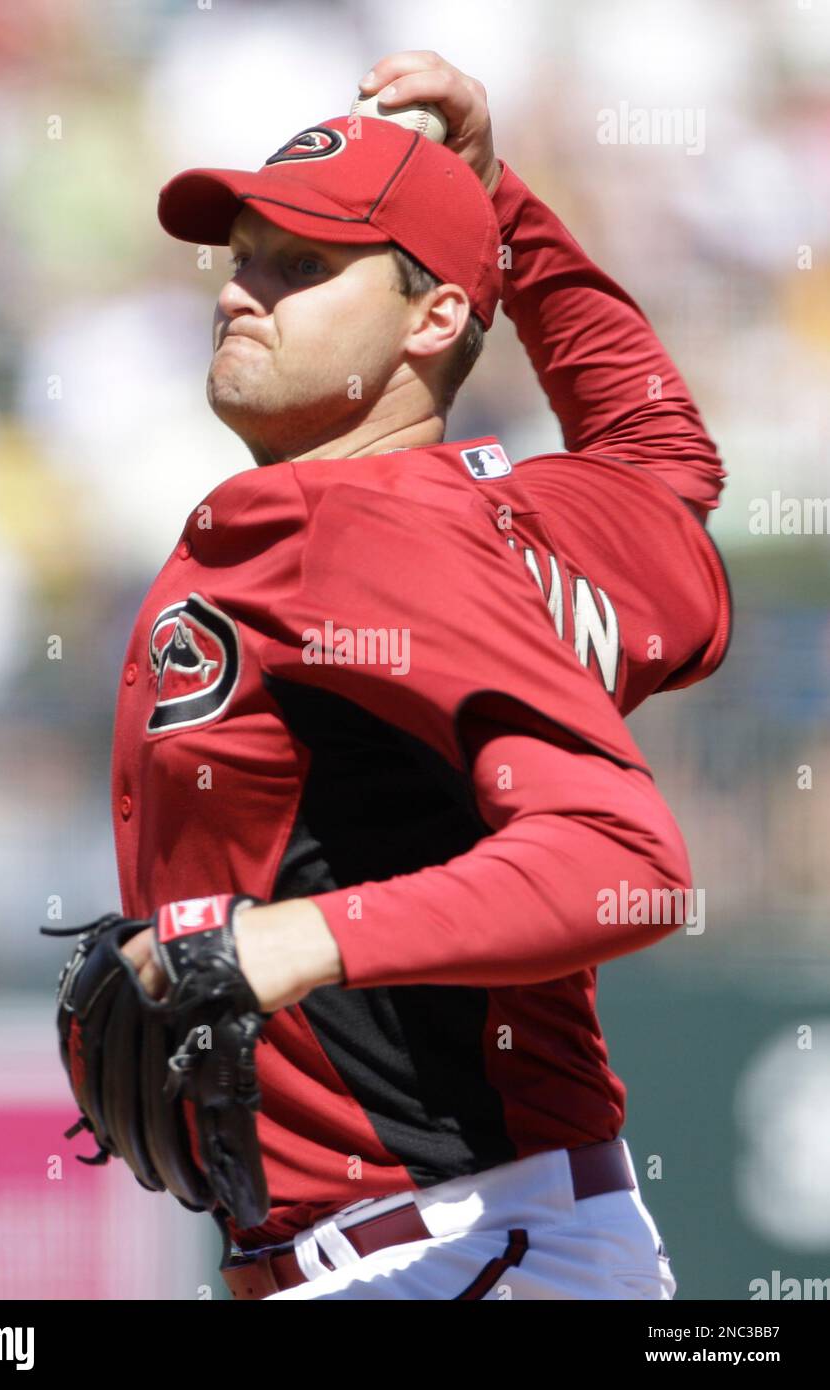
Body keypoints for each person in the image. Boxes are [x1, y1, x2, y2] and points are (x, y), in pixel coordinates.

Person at [110, 51, 731, 1299]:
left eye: (302, 267)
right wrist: (497, 201)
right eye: (241, 257)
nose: (241, 293)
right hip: (484, 1240)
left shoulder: (366, 530)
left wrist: (296, 938)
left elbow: (623, 861)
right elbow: (655, 450)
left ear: (434, 319)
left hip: (444, 1250)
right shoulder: (539, 518)